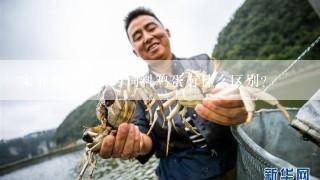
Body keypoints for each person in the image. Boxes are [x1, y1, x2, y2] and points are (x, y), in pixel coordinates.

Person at [99, 7, 247, 179]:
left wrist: (235, 97)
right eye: (138, 37)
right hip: (179, 172)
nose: (147, 37)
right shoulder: (139, 93)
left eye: (151, 28)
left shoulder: (202, 63)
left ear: (167, 32)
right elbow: (145, 137)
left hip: (232, 159)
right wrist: (134, 141)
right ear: (135, 52)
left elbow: (227, 82)